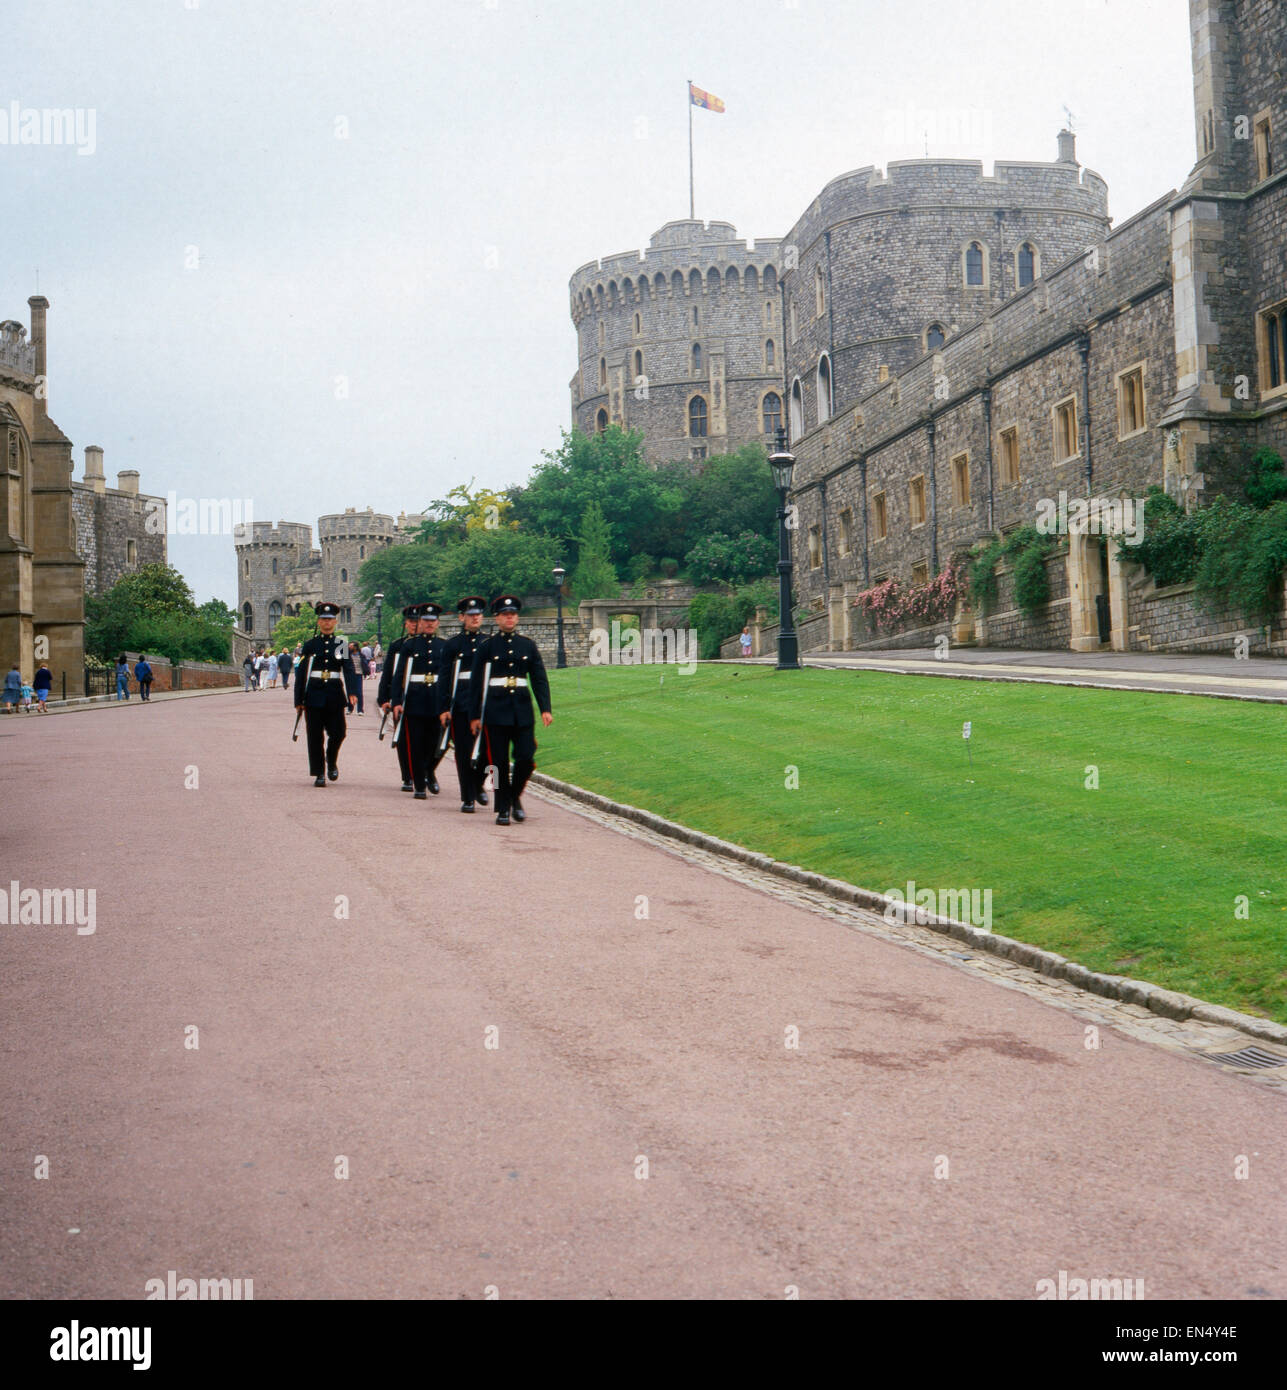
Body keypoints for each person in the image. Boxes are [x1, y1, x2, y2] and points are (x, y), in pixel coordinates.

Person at [469, 594, 552, 826]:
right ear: (497, 618)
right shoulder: (487, 647)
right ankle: (502, 807)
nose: (509, 618)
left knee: (526, 757)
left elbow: (539, 678)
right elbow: (476, 684)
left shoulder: (527, 645)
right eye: (505, 615)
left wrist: (545, 708)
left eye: (513, 614)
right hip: (495, 711)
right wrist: (474, 715)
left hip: (522, 711)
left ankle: (514, 796)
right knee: (497, 764)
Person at [437, 595, 491, 812]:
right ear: (462, 617)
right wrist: (443, 708)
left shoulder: (489, 642)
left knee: (490, 751)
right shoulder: (452, 645)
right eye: (470, 615)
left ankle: (481, 785)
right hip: (462, 705)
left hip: (486, 704)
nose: (475, 618)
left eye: (478, 614)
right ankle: (468, 796)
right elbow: (444, 678)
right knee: (464, 752)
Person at [294, 602, 356, 787]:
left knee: (339, 733)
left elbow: (349, 669)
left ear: (335, 622)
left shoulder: (341, 644)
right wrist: (298, 699)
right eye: (323, 619)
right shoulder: (310, 645)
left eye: (330, 619)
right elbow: (301, 674)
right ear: (319, 622)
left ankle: (331, 758)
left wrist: (352, 691)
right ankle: (319, 772)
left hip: (335, 695)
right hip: (313, 694)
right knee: (314, 735)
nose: (327, 622)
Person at [392, 603, 445, 799]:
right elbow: (399, 675)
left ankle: (428, 771)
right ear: (419, 622)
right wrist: (396, 700)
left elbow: (447, 677)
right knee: (415, 743)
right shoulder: (409, 646)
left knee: (435, 743)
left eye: (432, 621)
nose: (429, 624)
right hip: (415, 700)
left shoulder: (443, 646)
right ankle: (419, 784)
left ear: (437, 623)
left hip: (436, 701)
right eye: (425, 621)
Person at [378, 605, 420, 792]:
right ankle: (407, 776)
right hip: (401, 697)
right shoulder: (397, 646)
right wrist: (384, 698)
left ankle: (423, 772)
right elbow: (388, 674)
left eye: (418, 621)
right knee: (402, 738)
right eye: (411, 622)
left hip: (422, 696)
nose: (415, 625)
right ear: (406, 623)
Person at [346, 641, 365, 715]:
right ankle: (350, 709)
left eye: (351, 646)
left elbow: (364, 663)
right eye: (349, 646)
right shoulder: (347, 655)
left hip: (358, 674)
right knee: (350, 692)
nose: (349, 647)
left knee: (359, 692)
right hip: (350, 675)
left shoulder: (361, 655)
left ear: (356, 647)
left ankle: (360, 710)